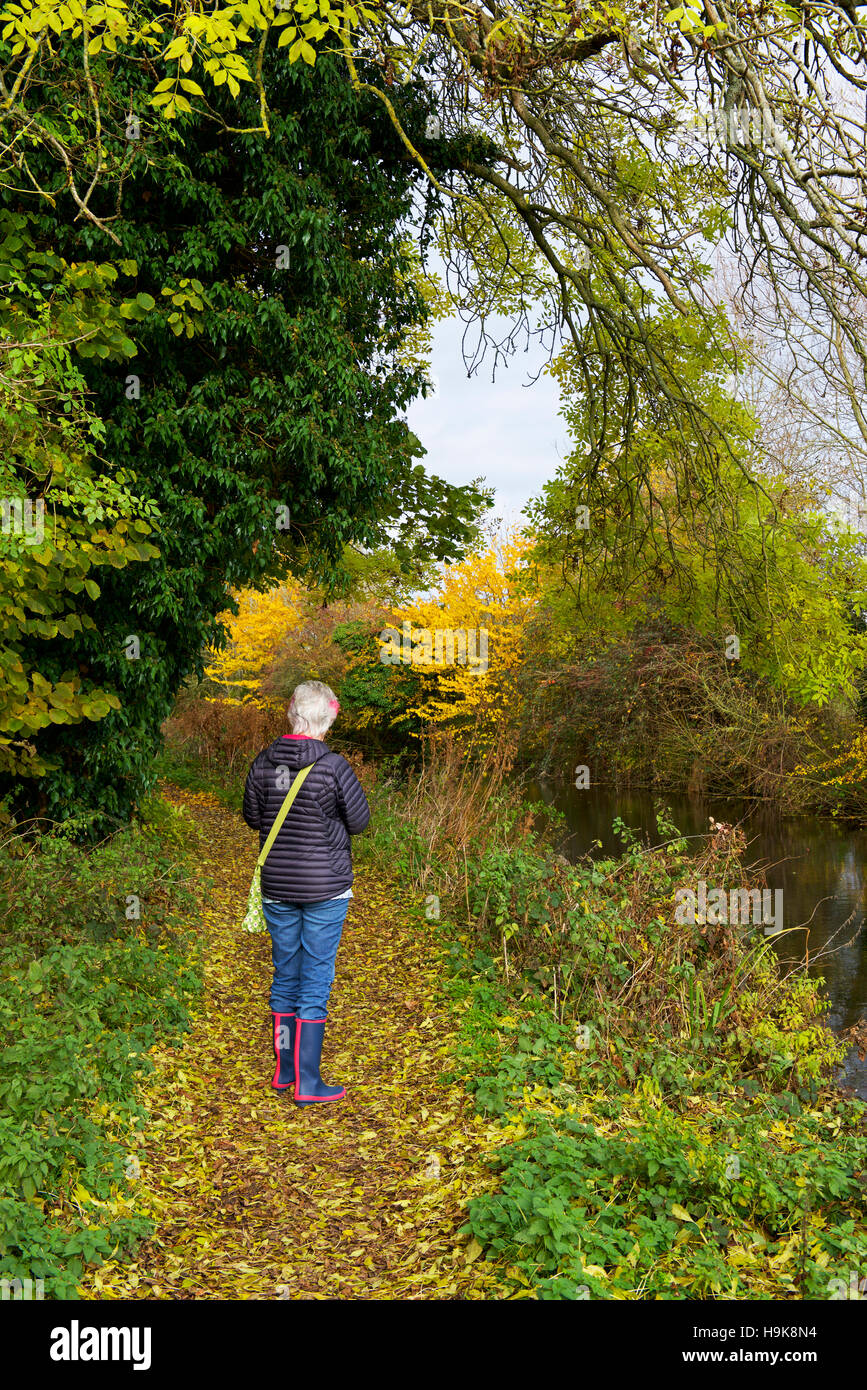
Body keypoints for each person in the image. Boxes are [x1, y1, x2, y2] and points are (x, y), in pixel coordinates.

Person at [242, 679, 370, 1106]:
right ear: (326, 718)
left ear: (292, 713)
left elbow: (252, 816)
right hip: (326, 889)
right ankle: (308, 1083)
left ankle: (285, 1071)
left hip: (277, 885)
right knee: (315, 980)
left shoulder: (264, 762)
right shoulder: (335, 767)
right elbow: (359, 822)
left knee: (285, 974)